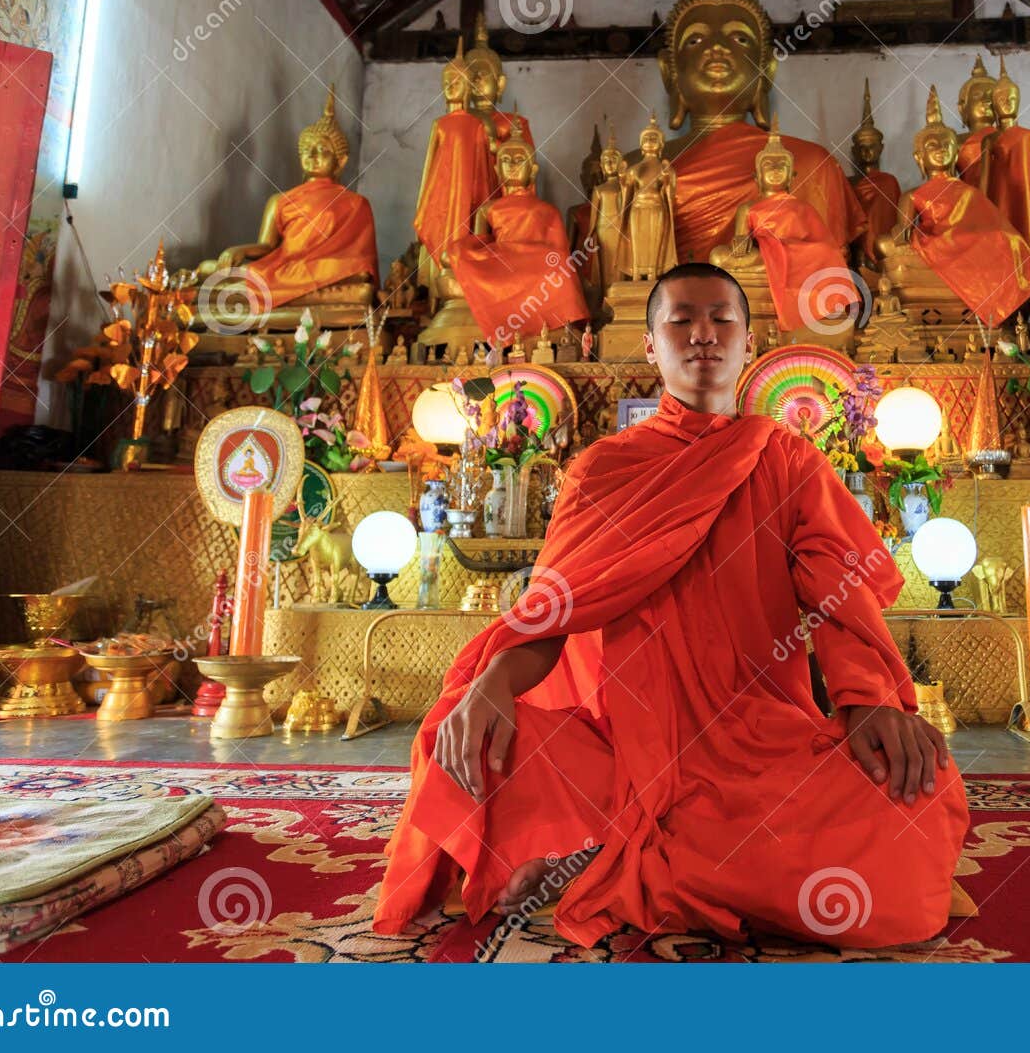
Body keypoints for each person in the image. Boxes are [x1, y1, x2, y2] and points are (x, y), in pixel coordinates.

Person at [373, 262, 969, 949]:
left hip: (759, 746)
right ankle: (641, 855)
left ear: (750, 342)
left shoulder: (789, 462)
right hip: (624, 749)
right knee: (458, 729)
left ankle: (613, 860)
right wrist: (492, 683)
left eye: (722, 319)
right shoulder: (603, 468)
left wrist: (871, 700)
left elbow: (842, 590)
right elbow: (555, 608)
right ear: (652, 346)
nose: (703, 336)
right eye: (680, 320)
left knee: (921, 799)